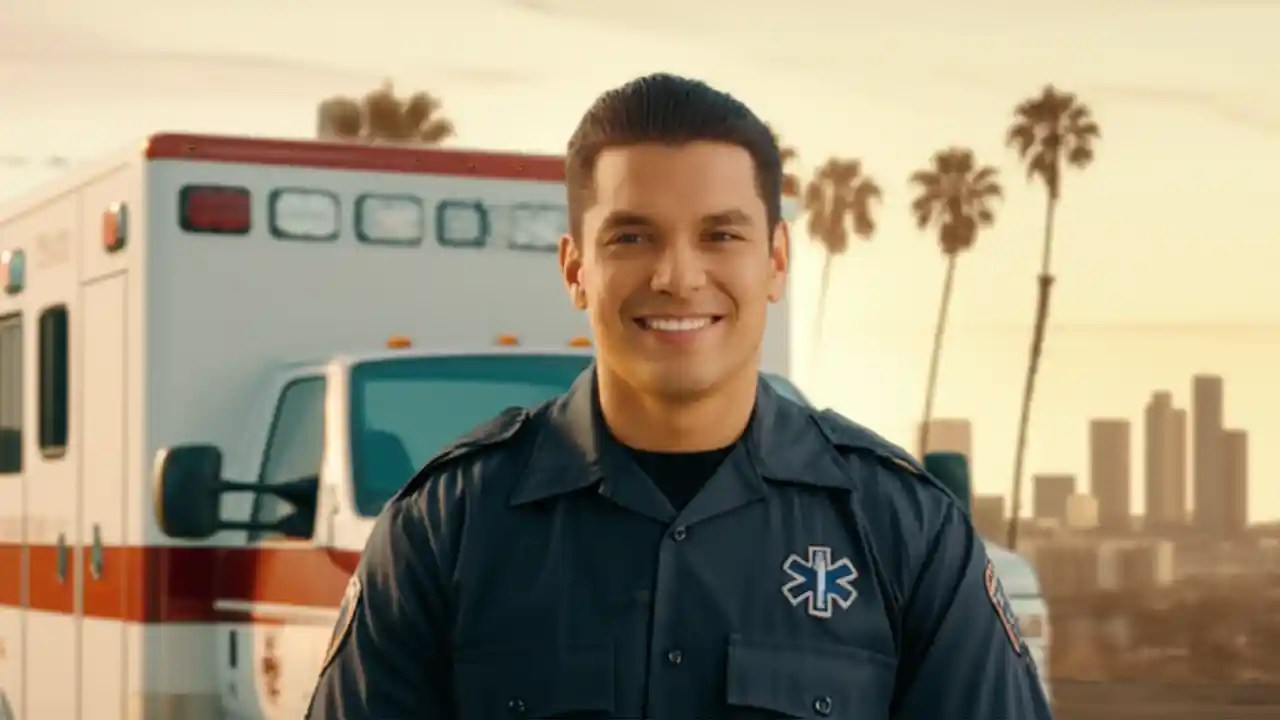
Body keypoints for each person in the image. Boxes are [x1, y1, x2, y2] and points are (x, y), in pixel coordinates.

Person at [306, 72, 1054, 720]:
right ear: (575, 270)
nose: (678, 276)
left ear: (776, 260)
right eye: (632, 238)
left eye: (720, 236)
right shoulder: (444, 531)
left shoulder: (905, 533)